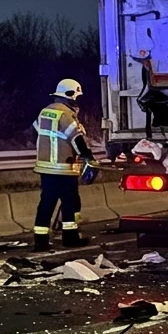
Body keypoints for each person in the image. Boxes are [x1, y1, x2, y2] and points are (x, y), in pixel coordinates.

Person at [33, 79, 97, 250]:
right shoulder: (66, 114)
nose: (77, 101)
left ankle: (40, 241)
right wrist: (88, 157)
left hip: (46, 168)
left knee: (46, 203)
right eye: (76, 96)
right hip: (64, 168)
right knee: (71, 203)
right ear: (70, 95)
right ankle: (70, 238)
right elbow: (76, 138)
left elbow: (36, 133)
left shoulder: (44, 112)